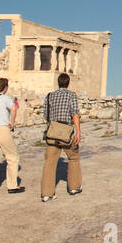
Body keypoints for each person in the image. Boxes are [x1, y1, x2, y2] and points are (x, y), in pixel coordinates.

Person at [40, 72, 83, 203]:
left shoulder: (49, 96)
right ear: (68, 83)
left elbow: (45, 116)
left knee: (49, 162)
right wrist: (78, 132)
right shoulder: (71, 95)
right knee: (73, 157)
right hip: (66, 132)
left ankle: (47, 194)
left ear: (58, 82)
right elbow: (75, 114)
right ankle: (74, 187)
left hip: (52, 132)